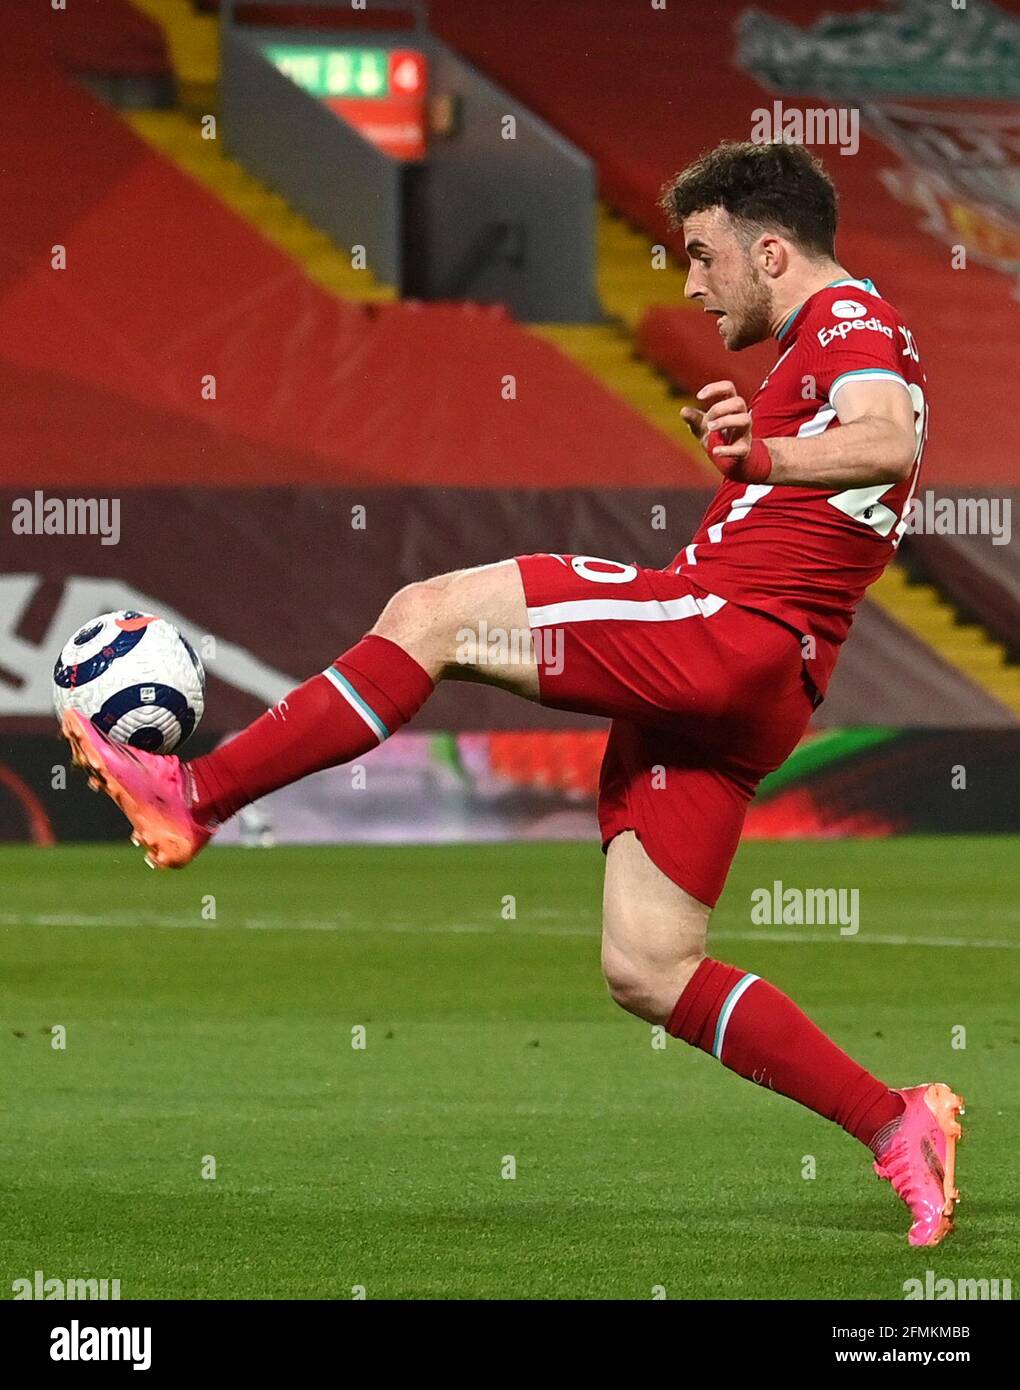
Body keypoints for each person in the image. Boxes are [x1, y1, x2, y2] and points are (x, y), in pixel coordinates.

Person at [64, 140, 962, 1246]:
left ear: (771, 250)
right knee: (648, 965)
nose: (688, 283)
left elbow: (889, 435)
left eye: (702, 255)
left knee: (430, 612)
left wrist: (766, 458)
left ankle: (195, 794)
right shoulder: (827, 343)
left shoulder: (850, 326)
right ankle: (896, 1123)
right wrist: (770, 451)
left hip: (726, 631)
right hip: (757, 691)